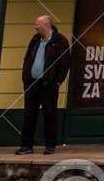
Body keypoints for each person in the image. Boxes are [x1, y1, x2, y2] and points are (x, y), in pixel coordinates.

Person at [17, 14, 70, 155]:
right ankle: (26, 145)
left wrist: (58, 81)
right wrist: (26, 77)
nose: (35, 27)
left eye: (38, 25)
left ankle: (50, 145)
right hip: (32, 83)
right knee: (29, 114)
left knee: (49, 113)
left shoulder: (59, 41)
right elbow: (27, 58)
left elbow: (65, 63)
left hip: (49, 84)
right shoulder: (35, 40)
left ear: (47, 25)